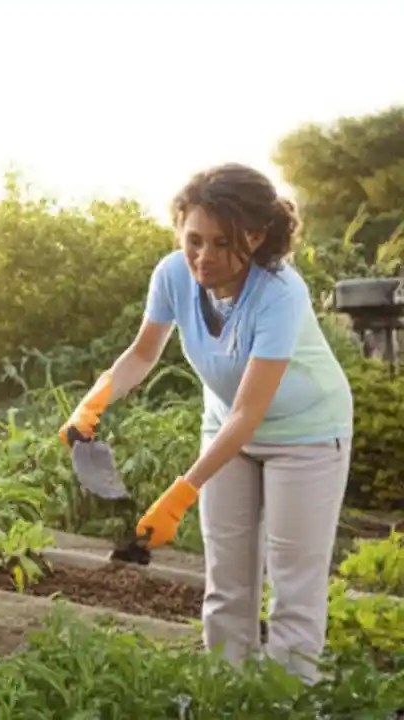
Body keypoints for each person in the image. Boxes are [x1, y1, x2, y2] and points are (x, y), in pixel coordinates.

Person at [59, 162, 353, 684]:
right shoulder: (173, 274)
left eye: (222, 243)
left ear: (256, 237)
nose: (204, 257)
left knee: (292, 585)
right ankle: (227, 695)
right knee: (227, 584)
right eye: (193, 239)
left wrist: (181, 493)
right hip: (228, 433)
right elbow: (143, 353)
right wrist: (94, 402)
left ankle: (288, 703)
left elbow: (250, 411)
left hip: (305, 436)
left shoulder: (279, 292)